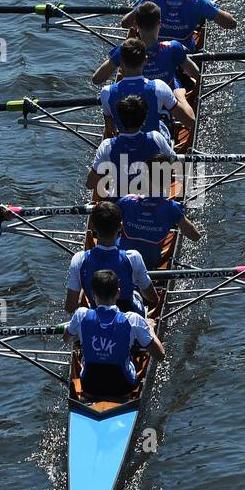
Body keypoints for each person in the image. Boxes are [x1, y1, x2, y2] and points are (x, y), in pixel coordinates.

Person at [65, 269, 164, 399]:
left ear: (93, 294)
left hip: (90, 387)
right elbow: (160, 355)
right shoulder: (133, 319)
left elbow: (67, 339)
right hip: (123, 389)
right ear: (118, 293)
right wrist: (150, 328)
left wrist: (84, 333)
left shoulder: (81, 314)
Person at [65, 201, 160, 317]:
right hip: (129, 317)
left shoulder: (79, 259)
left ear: (92, 227)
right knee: (137, 294)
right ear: (120, 227)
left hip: (97, 317)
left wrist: (83, 284)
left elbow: (70, 307)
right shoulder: (133, 257)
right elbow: (152, 297)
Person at [92, 1, 201, 98]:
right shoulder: (173, 47)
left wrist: (118, 57)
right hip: (169, 100)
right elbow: (197, 75)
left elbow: (97, 79)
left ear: (135, 25)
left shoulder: (124, 50)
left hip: (138, 102)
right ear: (159, 24)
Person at [97, 37, 193, 137]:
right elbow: (190, 122)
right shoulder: (159, 87)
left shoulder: (106, 92)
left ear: (121, 63)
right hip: (155, 143)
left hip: (124, 145)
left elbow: (110, 129)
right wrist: (181, 97)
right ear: (145, 60)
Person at [116, 160, 202, 270]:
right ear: (169, 182)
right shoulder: (172, 207)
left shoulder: (126, 201)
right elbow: (195, 237)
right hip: (149, 263)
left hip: (122, 260)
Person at [87, 96, 177, 198]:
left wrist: (108, 195)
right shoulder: (156, 137)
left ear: (119, 120)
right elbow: (175, 161)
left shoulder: (107, 145)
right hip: (151, 199)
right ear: (144, 120)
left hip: (120, 202)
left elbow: (90, 183)